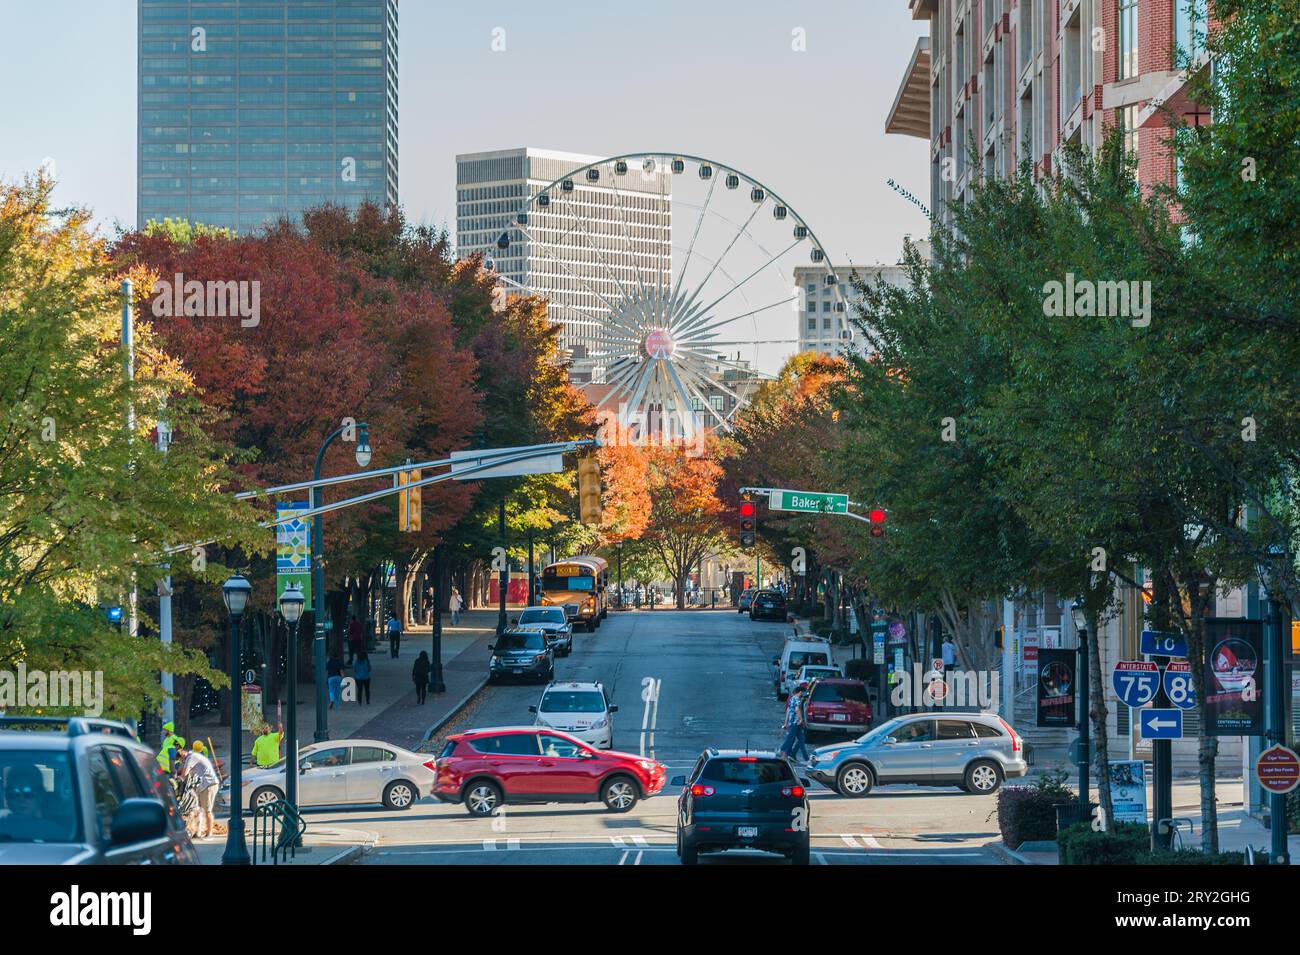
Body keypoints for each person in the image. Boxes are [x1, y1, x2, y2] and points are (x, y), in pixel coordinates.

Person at [0, 764, 68, 841]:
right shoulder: (2, 823)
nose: (21, 799)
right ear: (7, 796)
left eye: (28, 793)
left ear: (41, 794)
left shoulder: (56, 833)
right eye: (14, 793)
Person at [178, 745, 219, 839]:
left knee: (207, 810)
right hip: (202, 786)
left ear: (183, 755)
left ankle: (209, 834)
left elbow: (185, 773)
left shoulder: (191, 757)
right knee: (199, 810)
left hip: (209, 785)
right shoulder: (192, 757)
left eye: (181, 760)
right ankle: (198, 832)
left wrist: (178, 780)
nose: (182, 762)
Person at [780, 682, 810, 764]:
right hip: (795, 722)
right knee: (791, 739)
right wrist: (801, 719)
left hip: (794, 722)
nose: (804, 694)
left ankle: (805, 758)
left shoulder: (792, 698)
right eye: (803, 692)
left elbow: (788, 711)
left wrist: (786, 722)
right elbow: (797, 710)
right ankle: (782, 751)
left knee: (801, 740)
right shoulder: (797, 699)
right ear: (800, 692)